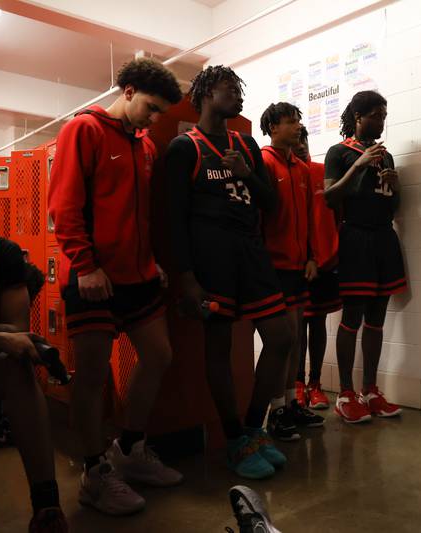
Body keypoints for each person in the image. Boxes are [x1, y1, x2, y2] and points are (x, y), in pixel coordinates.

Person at [48, 58, 184, 515]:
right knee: (92, 374)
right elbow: (63, 207)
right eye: (150, 107)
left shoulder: (144, 147)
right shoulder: (82, 130)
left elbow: (139, 217)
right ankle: (94, 473)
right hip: (92, 279)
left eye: (161, 112)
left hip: (138, 276)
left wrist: (151, 263)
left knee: (159, 355)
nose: (154, 119)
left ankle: (129, 448)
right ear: (127, 91)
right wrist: (85, 266)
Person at [166, 65, 292, 480]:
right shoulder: (185, 147)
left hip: (251, 252)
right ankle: (235, 438)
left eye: (239, 91)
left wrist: (248, 175)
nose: (238, 97)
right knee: (217, 348)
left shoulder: (246, 142)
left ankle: (255, 428)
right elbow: (173, 221)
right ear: (205, 94)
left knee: (281, 336)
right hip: (211, 256)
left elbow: (270, 203)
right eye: (228, 89)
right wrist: (186, 278)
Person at [324, 90, 406, 424]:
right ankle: (345, 393)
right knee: (353, 316)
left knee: (377, 317)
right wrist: (357, 166)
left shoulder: (385, 156)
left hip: (384, 237)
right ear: (358, 117)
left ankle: (370, 391)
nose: (381, 121)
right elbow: (329, 197)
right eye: (375, 114)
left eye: (384, 115)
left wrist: (395, 186)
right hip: (354, 237)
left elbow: (393, 206)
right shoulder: (338, 152)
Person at [0, 235, 68, 532]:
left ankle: (47, 506)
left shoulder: (1, 255)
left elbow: (17, 333)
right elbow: (7, 334)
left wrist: (4, 338)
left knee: (17, 364)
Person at [257, 103, 324, 440]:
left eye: (298, 120)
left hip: (299, 266)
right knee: (281, 342)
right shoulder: (264, 162)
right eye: (289, 122)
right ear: (272, 127)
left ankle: (290, 402)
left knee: (296, 338)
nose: (297, 126)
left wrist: (311, 256)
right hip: (275, 266)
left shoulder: (299, 167)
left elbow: (310, 220)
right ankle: (275, 411)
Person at [294, 126, 337, 410]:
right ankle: (297, 384)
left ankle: (316, 384)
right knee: (297, 326)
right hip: (295, 262)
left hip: (325, 261)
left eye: (303, 139)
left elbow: (338, 214)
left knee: (318, 323)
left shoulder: (323, 171)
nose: (299, 144)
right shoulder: (283, 172)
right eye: (295, 139)